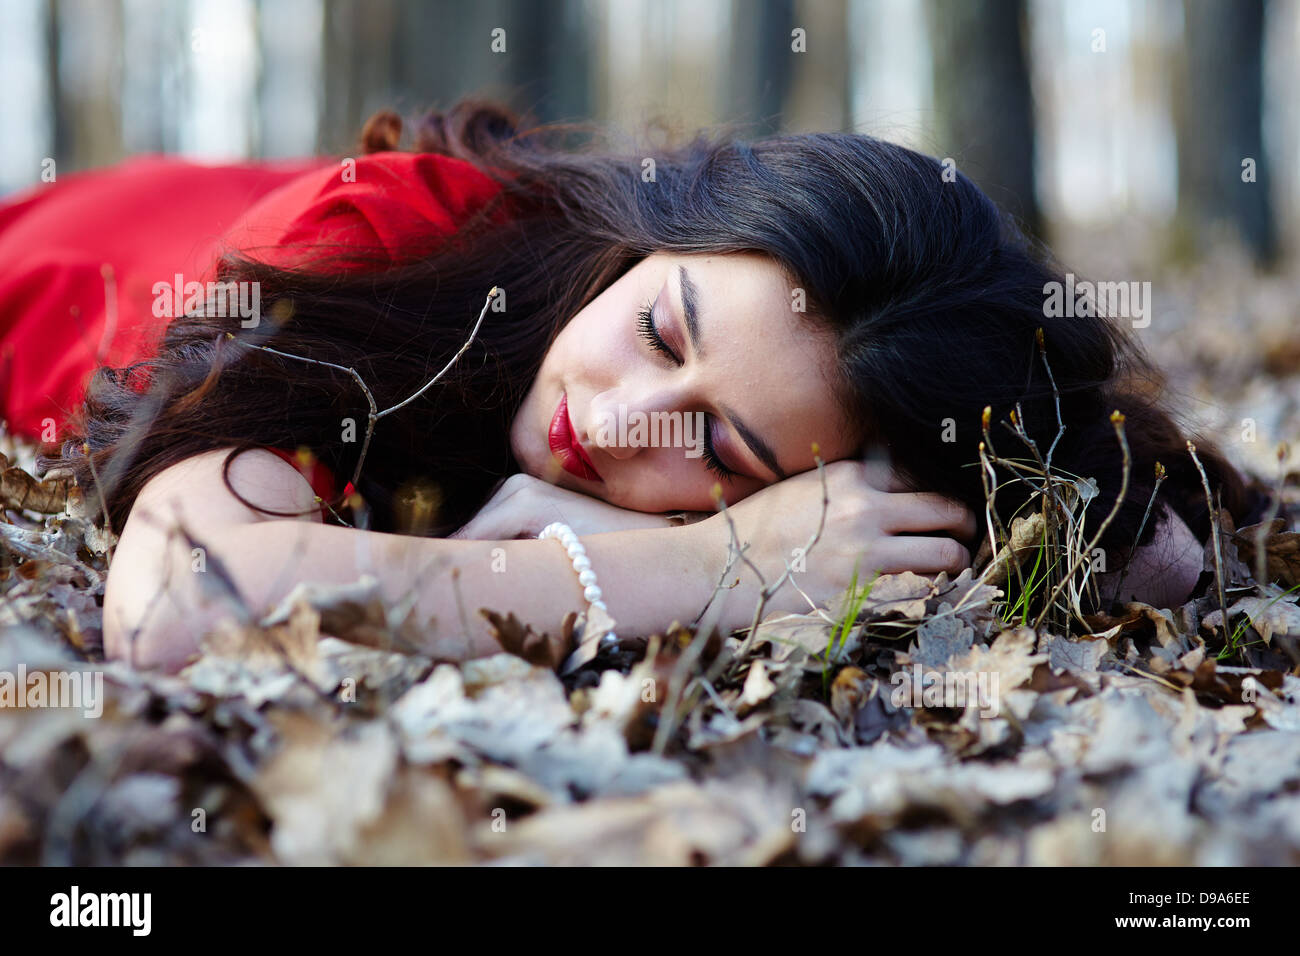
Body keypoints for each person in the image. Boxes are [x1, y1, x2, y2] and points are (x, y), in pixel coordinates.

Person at [5, 99, 1257, 673]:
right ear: (655, 232)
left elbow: (1135, 544)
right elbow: (176, 604)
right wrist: (699, 563)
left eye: (720, 452)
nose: (606, 423)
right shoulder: (385, 251)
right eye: (661, 332)